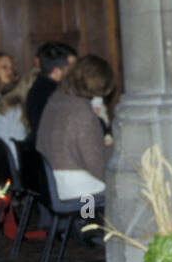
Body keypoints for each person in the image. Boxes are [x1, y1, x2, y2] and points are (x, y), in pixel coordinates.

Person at [35, 55, 115, 201]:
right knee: (126, 188)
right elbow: (96, 165)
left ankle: (84, 221)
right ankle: (87, 221)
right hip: (79, 190)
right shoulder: (82, 110)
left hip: (51, 181)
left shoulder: (56, 99)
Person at [25, 41, 77, 134]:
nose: (76, 72)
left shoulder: (38, 87)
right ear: (57, 72)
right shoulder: (55, 95)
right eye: (72, 68)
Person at [0, 80, 29, 175]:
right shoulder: (16, 110)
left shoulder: (7, 104)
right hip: (12, 168)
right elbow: (18, 147)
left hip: (2, 164)